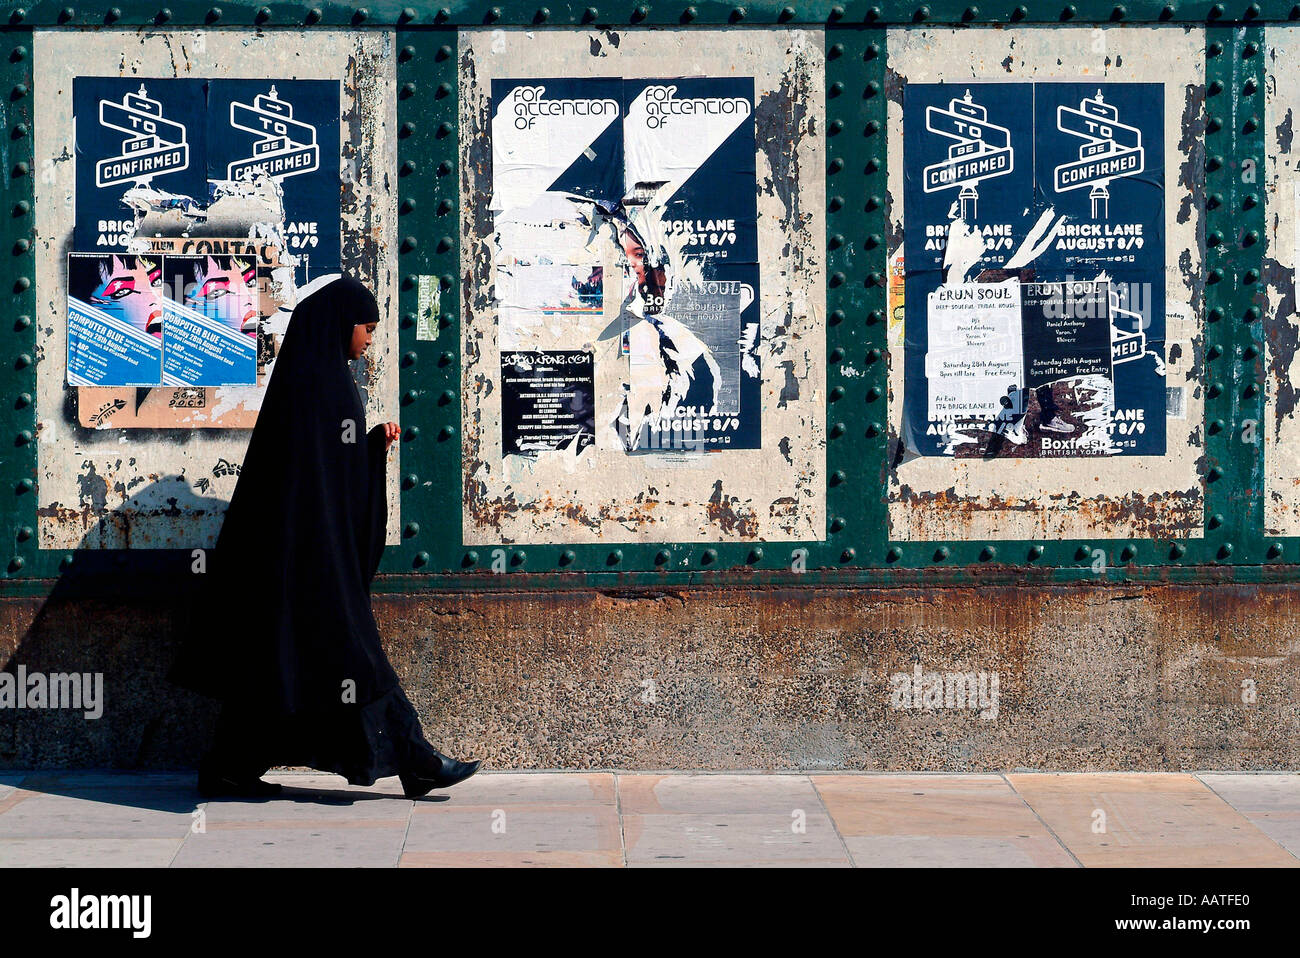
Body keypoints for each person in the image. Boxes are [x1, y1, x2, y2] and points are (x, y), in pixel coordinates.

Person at [168, 274, 481, 799]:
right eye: (366, 327)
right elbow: (320, 477)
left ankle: (228, 768)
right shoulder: (324, 385)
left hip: (297, 558)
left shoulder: (310, 379)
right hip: (314, 561)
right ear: (341, 323)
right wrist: (366, 454)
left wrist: (369, 446)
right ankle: (417, 761)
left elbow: (319, 471)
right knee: (355, 656)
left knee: (279, 666)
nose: (369, 340)